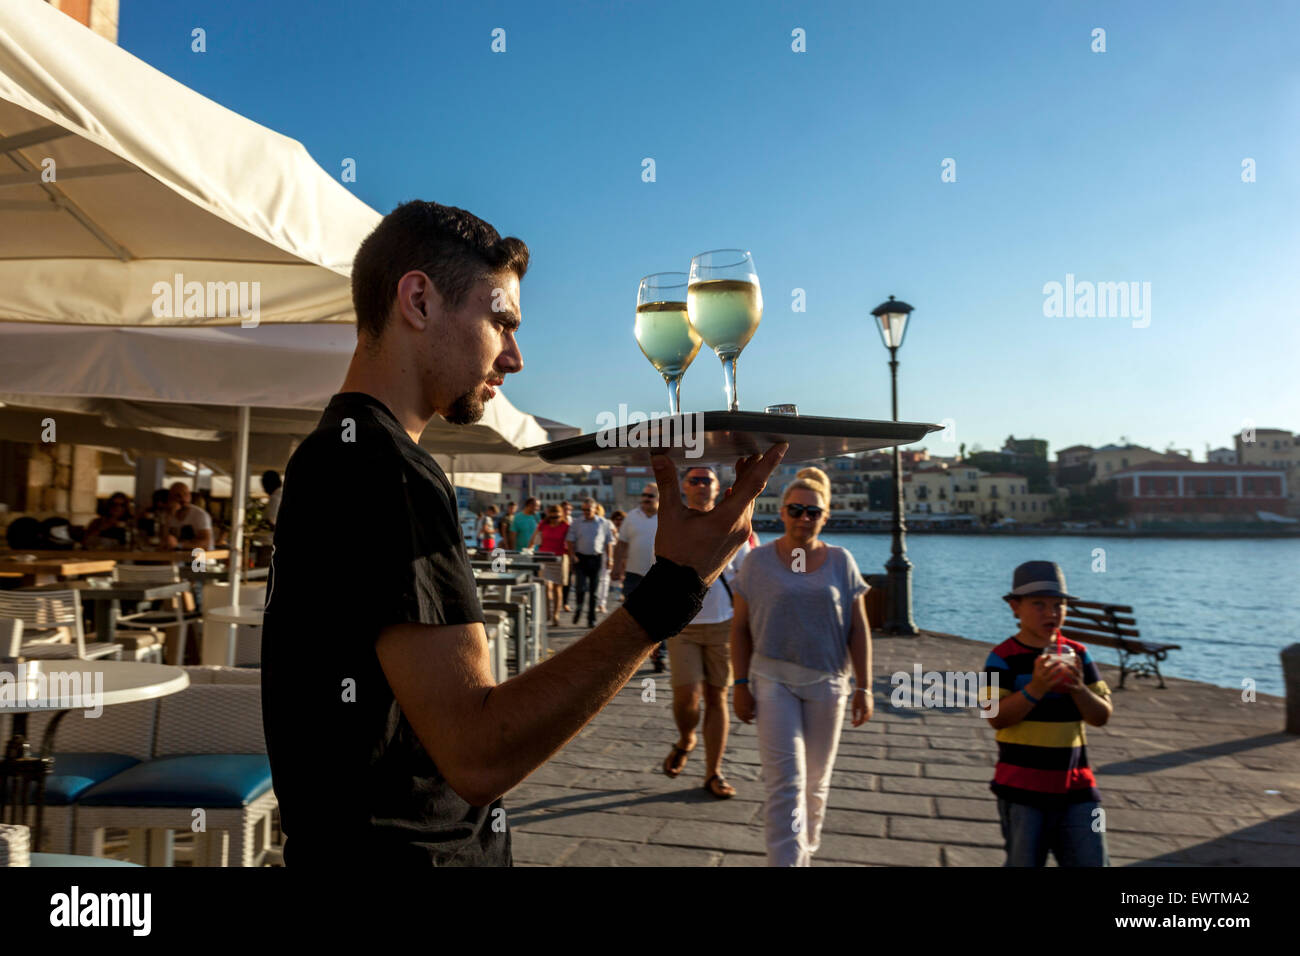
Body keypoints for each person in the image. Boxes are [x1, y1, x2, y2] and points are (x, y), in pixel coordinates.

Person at [260, 197, 789, 866]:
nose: (514, 356)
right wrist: (674, 589)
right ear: (418, 302)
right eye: (501, 321)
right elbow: (478, 754)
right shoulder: (388, 469)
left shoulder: (329, 453)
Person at [731, 466, 872, 866]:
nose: (803, 518)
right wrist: (740, 683)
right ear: (782, 512)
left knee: (815, 785)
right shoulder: (757, 563)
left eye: (813, 512)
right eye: (796, 510)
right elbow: (739, 629)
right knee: (786, 784)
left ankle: (803, 853)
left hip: (828, 683)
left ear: (826, 516)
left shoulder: (842, 562)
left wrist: (864, 687)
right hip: (772, 678)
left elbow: (858, 629)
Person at [979, 560, 1113, 867]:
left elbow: (1101, 716)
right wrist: (1036, 688)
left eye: (1058, 605)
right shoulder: (1001, 658)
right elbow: (995, 716)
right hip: (1021, 788)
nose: (1051, 613)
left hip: (1077, 786)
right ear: (1015, 607)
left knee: (1092, 860)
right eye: (1038, 604)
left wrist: (1079, 689)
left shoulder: (1078, 654)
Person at [663, 467, 750, 799]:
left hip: (723, 626)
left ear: (718, 488)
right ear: (684, 487)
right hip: (682, 627)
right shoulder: (673, 526)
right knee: (687, 698)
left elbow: (745, 580)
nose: (701, 485)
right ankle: (686, 738)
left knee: (717, 697)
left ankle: (713, 772)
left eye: (707, 480)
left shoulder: (733, 528)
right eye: (694, 480)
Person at [614, 482, 660, 668]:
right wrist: (616, 566)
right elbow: (622, 544)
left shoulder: (667, 517)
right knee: (631, 615)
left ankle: (658, 654)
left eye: (650, 496)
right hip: (633, 574)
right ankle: (630, 655)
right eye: (644, 495)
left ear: (659, 498)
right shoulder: (631, 517)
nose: (645, 499)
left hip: (660, 575)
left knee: (659, 618)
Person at [565, 497, 614, 629]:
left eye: (588, 509)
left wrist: (610, 559)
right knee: (580, 588)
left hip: (596, 558)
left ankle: (591, 618)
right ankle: (579, 608)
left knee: (594, 591)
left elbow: (608, 542)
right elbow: (570, 540)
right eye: (583, 509)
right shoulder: (576, 523)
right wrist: (572, 555)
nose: (586, 512)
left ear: (595, 509)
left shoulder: (603, 523)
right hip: (580, 559)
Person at [530, 505, 569, 626]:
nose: (554, 519)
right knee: (547, 586)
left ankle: (556, 614)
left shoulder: (566, 526)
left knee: (558, 588)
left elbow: (570, 542)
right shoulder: (543, 524)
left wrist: (572, 556)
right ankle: (547, 613)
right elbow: (534, 538)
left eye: (557, 516)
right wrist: (529, 548)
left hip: (559, 558)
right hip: (544, 557)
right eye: (552, 517)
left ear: (561, 515)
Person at [161, 481, 213, 550]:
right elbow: (163, 540)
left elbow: (206, 543)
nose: (183, 498)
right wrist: (170, 515)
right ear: (170, 497)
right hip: (178, 557)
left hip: (201, 558)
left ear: (190, 496)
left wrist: (179, 545)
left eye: (186, 494)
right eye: (178, 495)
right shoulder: (168, 514)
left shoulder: (200, 515)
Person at [600, 509, 625, 613]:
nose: (618, 521)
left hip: (622, 557)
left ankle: (620, 593)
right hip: (610, 556)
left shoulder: (626, 530)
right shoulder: (610, 528)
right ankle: (602, 602)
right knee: (605, 579)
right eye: (616, 519)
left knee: (622, 577)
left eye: (621, 519)